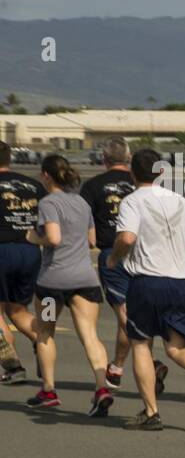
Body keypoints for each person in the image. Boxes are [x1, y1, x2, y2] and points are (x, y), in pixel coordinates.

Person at [108, 148, 185, 430]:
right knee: (177, 348)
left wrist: (115, 256)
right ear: (161, 173)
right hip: (182, 284)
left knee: (141, 345)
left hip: (147, 283)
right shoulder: (180, 201)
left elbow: (127, 237)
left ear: (132, 172)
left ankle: (151, 412)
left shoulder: (132, 201)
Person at [24, 155, 112, 415]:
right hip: (84, 279)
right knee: (90, 335)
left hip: (54, 282)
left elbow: (53, 237)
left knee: (46, 332)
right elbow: (92, 240)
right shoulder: (82, 203)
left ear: (46, 176)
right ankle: (101, 387)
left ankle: (49, 389)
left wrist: (33, 238)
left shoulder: (48, 203)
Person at [82, 137, 162, 392]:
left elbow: (88, 229)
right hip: (147, 252)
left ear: (104, 159)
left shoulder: (93, 186)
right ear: (128, 159)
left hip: (114, 252)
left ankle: (145, 363)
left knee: (127, 316)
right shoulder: (144, 185)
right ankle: (118, 367)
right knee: (135, 313)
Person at [0, 139, 45, 384]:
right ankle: (43, 343)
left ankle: (13, 365)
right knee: (18, 310)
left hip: (2, 249)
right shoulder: (33, 184)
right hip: (30, 251)